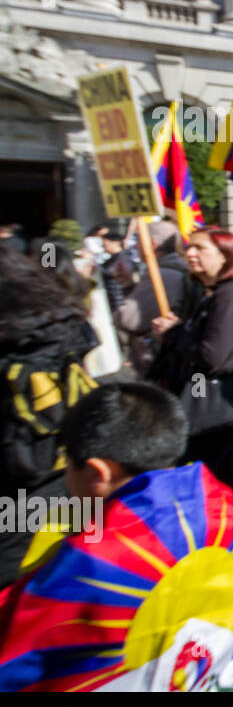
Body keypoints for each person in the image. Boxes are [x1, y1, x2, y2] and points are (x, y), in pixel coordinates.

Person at [0, 383, 233, 691]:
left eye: (67, 462)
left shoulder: (97, 557)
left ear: (98, 473)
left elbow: (21, 653)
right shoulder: (226, 507)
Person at [0, 245, 99, 588]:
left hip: (19, 490)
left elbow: (210, 361)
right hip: (68, 476)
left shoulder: (16, 345)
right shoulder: (59, 323)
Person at [149, 227, 233, 498]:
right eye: (189, 247)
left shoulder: (230, 296)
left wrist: (173, 332)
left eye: (200, 248)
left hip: (209, 403)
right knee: (231, 474)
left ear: (225, 256)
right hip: (211, 406)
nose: (190, 253)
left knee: (193, 477)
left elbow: (211, 358)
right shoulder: (211, 293)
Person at [113, 220, 200, 379]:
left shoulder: (161, 275)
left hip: (161, 359)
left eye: (138, 241)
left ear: (151, 244)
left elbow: (128, 319)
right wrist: (128, 283)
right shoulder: (179, 268)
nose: (135, 246)